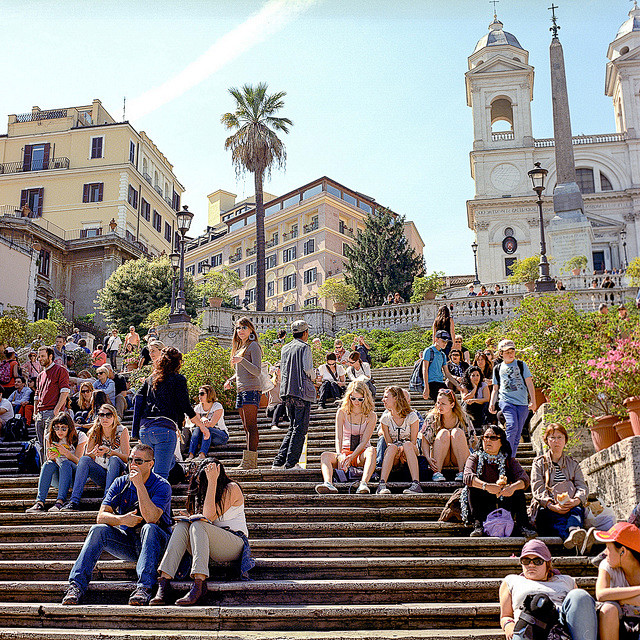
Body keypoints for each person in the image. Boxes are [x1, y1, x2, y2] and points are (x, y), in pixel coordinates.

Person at [62, 443, 172, 606]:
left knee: (149, 528)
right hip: (131, 542)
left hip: (158, 544)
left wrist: (139, 485)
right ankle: (76, 586)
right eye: (130, 459)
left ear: (151, 464)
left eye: (139, 461)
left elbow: (152, 518)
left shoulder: (162, 485)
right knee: (98, 530)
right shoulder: (120, 482)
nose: (132, 464)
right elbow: (101, 516)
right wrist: (122, 520)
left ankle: (144, 588)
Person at [152, 458, 252, 606]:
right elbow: (204, 519)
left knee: (198, 524)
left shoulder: (232, 488)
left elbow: (209, 517)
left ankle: (199, 584)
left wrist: (213, 482)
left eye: (204, 481)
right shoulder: (203, 492)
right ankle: (164, 583)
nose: (201, 485)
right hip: (207, 543)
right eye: (201, 482)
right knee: (182, 526)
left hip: (235, 543)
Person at [499, 539, 597, 640]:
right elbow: (505, 616)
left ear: (547, 564)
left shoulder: (567, 580)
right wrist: (508, 625)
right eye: (526, 561)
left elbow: (579, 608)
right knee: (538, 601)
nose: (531, 565)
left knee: (579, 595)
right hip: (531, 626)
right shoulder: (512, 580)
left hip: (561, 625)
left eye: (538, 561)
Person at [133, 347, 207, 479]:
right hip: (164, 429)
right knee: (160, 476)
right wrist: (202, 426)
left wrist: (135, 431)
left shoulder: (150, 379)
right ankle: (156, 499)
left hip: (145, 430)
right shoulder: (178, 379)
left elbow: (137, 399)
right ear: (178, 363)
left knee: (153, 470)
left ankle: (179, 472)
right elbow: (186, 406)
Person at [462, 425, 536, 539]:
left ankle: (523, 526)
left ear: (501, 442)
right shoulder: (475, 458)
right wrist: (486, 486)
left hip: (503, 498)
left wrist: (512, 488)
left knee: (518, 491)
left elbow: (524, 479)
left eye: (493, 438)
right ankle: (478, 525)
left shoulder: (508, 460)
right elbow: (467, 476)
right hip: (483, 500)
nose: (488, 441)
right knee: (472, 488)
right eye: (485, 437)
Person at [530, 423, 589, 550]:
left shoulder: (573, 464)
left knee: (577, 511)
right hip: (548, 507)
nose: (556, 441)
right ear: (547, 441)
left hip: (570, 505)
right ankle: (574, 538)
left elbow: (582, 487)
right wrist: (552, 505)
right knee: (550, 516)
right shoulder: (539, 463)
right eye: (552, 437)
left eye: (559, 437)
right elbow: (537, 488)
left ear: (565, 440)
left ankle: (574, 533)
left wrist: (575, 501)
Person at [61, 403, 130, 511]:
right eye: (102, 415)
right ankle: (74, 501)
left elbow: (127, 458)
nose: (105, 418)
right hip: (102, 473)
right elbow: (86, 456)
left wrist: (110, 452)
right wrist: (94, 453)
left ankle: (107, 501)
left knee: (114, 459)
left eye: (108, 415)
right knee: (84, 460)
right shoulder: (95, 431)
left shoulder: (122, 430)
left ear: (114, 417)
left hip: (117, 472)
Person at [315, 380, 377, 495]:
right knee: (325, 456)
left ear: (365, 398)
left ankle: (363, 483)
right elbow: (338, 437)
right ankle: (328, 483)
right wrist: (340, 455)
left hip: (360, 453)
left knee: (372, 450)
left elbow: (365, 441)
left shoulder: (371, 415)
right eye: (353, 398)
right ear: (349, 397)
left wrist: (352, 456)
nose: (356, 402)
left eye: (360, 399)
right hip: (345, 450)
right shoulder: (342, 412)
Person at [272, 320, 316, 470]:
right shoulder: (305, 347)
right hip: (301, 391)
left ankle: (278, 462)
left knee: (292, 427)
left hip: (287, 392)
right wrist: (315, 378)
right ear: (305, 333)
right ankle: (291, 463)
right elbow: (308, 370)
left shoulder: (285, 348)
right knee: (300, 428)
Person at [26, 413, 88, 512]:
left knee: (66, 463)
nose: (60, 431)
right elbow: (49, 459)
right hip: (59, 477)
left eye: (63, 428)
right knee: (48, 464)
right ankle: (39, 503)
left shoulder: (80, 436)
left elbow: (80, 462)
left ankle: (60, 502)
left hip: (74, 476)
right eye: (57, 428)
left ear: (70, 428)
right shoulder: (49, 437)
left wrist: (66, 453)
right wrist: (52, 458)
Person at [223, 317, 263, 470]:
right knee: (246, 427)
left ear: (251, 329)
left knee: (251, 426)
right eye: (238, 328)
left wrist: (241, 360)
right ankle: (248, 461)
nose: (240, 331)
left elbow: (257, 371)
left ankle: (250, 462)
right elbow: (242, 371)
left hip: (251, 389)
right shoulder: (241, 347)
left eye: (244, 327)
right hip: (241, 389)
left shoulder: (253, 346)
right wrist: (231, 380)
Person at [489, 339, 536, 456]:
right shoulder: (498, 368)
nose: (510, 354)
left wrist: (533, 401)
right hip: (506, 401)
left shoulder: (521, 365)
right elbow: (495, 388)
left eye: (512, 351)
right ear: (501, 353)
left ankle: (511, 458)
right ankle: (505, 455)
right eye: (507, 352)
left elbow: (529, 383)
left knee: (518, 432)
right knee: (511, 425)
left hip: (522, 402)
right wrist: (492, 402)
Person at [421, 388, 476, 482]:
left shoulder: (463, 417)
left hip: (458, 456)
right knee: (444, 433)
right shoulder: (431, 418)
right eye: (438, 403)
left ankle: (462, 472)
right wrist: (428, 458)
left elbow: (473, 440)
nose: (439, 406)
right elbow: (424, 440)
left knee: (456, 432)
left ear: (452, 404)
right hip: (441, 457)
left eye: (443, 404)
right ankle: (436, 472)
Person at [376, 385, 422, 495]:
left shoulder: (412, 416)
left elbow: (413, 441)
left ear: (396, 398)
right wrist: (397, 450)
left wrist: (403, 449)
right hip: (394, 454)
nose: (383, 400)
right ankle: (381, 484)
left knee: (407, 445)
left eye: (386, 397)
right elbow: (388, 443)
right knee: (392, 447)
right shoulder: (385, 419)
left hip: (409, 451)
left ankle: (416, 483)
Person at [34, 346, 70, 447]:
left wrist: (57, 410)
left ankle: (50, 463)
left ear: (50, 356)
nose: (40, 358)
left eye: (42, 356)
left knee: (49, 445)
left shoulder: (60, 370)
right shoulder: (40, 375)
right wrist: (35, 413)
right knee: (41, 446)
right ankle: (43, 464)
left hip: (52, 412)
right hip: (40, 414)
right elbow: (37, 395)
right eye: (39, 356)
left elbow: (65, 391)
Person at [186, 385, 228, 461]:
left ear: (209, 394)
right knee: (197, 429)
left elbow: (211, 424)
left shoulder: (217, 406)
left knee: (207, 428)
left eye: (202, 394)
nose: (199, 396)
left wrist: (200, 421)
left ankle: (202, 454)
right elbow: (198, 424)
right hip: (205, 436)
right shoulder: (198, 408)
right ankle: (191, 455)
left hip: (220, 435)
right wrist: (201, 420)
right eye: (199, 394)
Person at [421, 330, 462, 401]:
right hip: (431, 383)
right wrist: (426, 387)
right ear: (436, 339)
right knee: (442, 402)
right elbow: (425, 370)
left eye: (446, 342)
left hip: (440, 382)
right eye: (443, 341)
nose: (445, 344)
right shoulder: (428, 351)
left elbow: (447, 373)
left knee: (450, 400)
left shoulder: (442, 354)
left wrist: (457, 385)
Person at [460, 366, 490, 434]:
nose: (476, 378)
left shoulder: (483, 385)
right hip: (469, 408)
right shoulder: (464, 386)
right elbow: (465, 398)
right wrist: (475, 388)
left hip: (480, 408)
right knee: (467, 404)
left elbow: (486, 399)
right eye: (473, 375)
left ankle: (484, 426)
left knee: (486, 405)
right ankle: (467, 427)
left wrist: (474, 400)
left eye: (477, 375)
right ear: (469, 376)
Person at [266, 364, 286, 430]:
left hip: (282, 408)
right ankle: (273, 425)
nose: (278, 369)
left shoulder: (285, 383)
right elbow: (263, 383)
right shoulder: (271, 382)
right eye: (276, 367)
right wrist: (270, 373)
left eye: (280, 367)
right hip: (272, 408)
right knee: (279, 405)